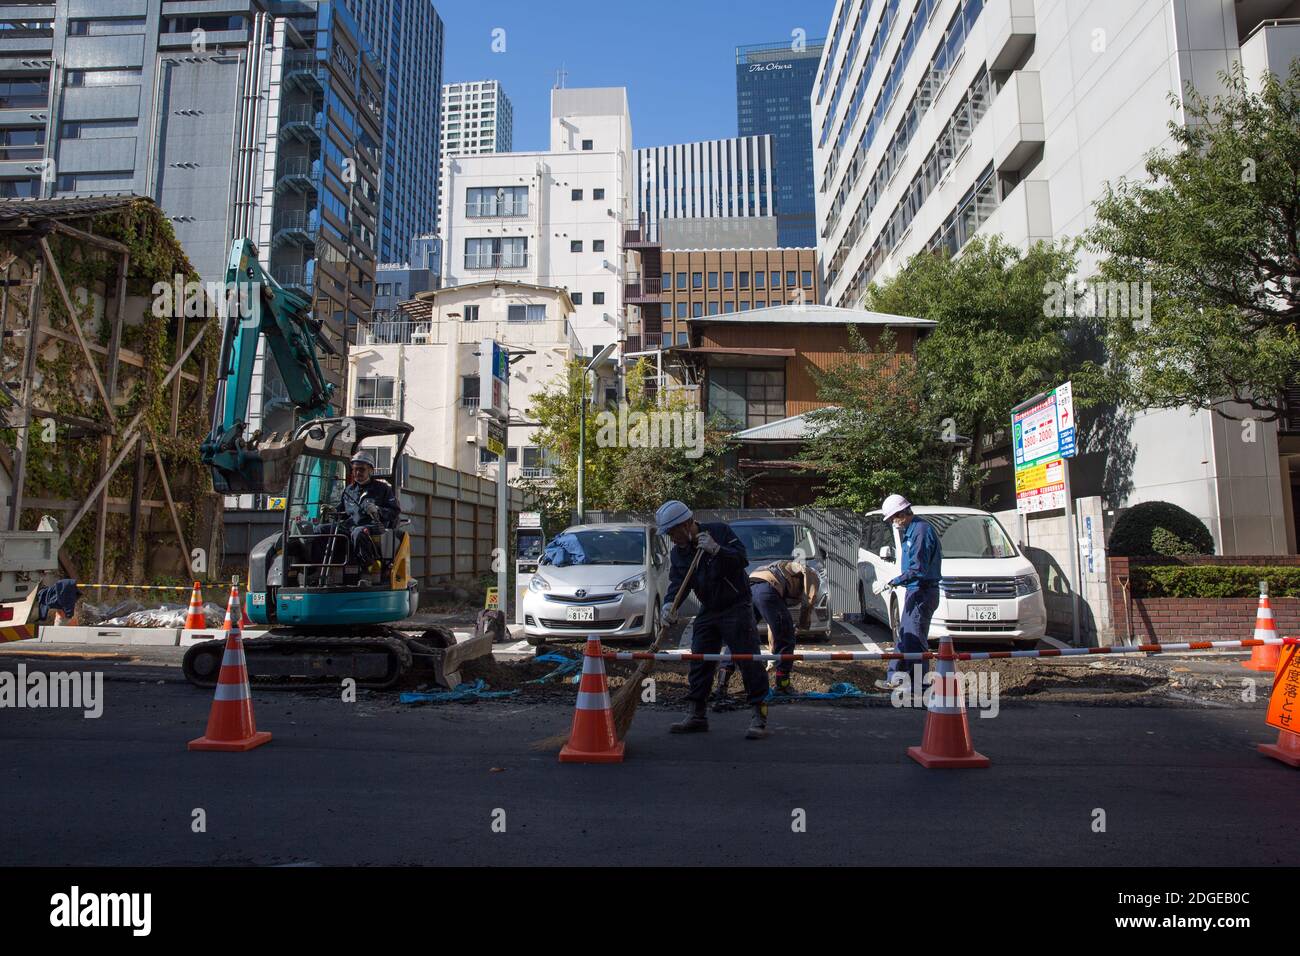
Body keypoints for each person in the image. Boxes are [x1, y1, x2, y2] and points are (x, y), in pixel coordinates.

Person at [656, 500, 770, 739]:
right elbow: (678, 583)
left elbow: (741, 559)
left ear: (687, 523)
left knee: (747, 659)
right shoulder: (680, 553)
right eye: (667, 533)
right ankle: (697, 714)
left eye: (672, 532)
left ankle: (759, 714)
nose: (670, 538)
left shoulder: (719, 532)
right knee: (699, 658)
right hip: (709, 608)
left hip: (736, 605)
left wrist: (718, 549)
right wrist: (669, 605)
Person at [715, 559, 820, 701]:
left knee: (739, 635)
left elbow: (773, 626)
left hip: (749, 587)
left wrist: (772, 651)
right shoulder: (810, 574)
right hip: (767, 587)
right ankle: (783, 685)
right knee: (786, 635)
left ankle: (721, 684)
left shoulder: (782, 571)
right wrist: (803, 624)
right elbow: (808, 601)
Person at [871, 494, 942, 696]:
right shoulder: (912, 531)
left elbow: (917, 568)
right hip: (915, 591)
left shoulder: (920, 532)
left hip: (922, 591)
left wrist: (891, 582)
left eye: (894, 518)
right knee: (905, 637)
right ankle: (895, 678)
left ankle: (920, 687)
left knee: (916, 641)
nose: (894, 522)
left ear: (902, 514)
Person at [338, 451, 400, 582]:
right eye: (355, 469)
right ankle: (322, 570)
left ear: (371, 470)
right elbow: (341, 512)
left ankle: (368, 569)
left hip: (375, 526)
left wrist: (378, 510)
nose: (357, 473)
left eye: (361, 469)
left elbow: (394, 511)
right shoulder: (349, 490)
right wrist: (330, 511)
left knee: (359, 532)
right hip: (351, 526)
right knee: (322, 529)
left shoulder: (382, 489)